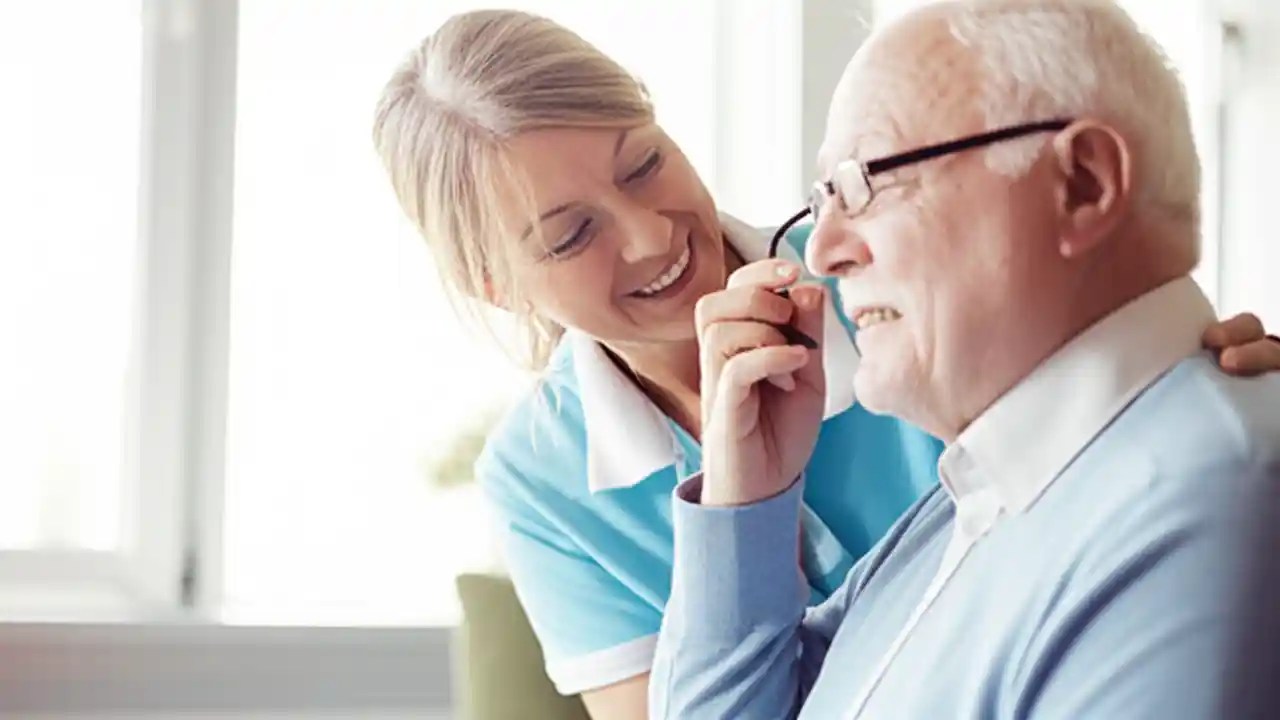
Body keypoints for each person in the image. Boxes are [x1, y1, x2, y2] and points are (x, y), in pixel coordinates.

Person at [370, 8, 1280, 717]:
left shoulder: (905, 290)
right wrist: (740, 508)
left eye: (644, 164)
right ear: (498, 285)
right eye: (571, 236)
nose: (652, 236)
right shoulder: (543, 475)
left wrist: (1173, 367)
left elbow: (1114, 367)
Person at [651, 1, 1280, 718]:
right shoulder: (969, 502)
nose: (824, 251)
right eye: (822, 200)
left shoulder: (1206, 510)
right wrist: (745, 502)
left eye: (866, 183)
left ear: (1084, 184)